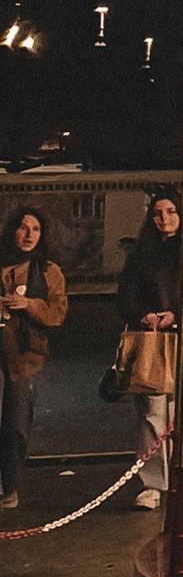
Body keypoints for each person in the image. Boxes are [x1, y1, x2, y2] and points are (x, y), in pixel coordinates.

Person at [114, 194, 183, 509]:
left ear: (182, 214)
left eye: (171, 211)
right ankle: (153, 484)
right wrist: (144, 316)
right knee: (151, 413)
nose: (165, 218)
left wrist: (179, 314)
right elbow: (125, 295)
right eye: (158, 213)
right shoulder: (139, 254)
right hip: (152, 343)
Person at [2, 203, 68, 510]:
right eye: (23, 227)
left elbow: (57, 313)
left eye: (36, 229)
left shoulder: (49, 271)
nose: (29, 235)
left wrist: (27, 304)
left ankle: (9, 485)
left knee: (16, 424)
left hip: (25, 357)